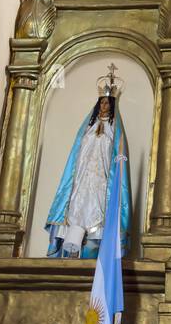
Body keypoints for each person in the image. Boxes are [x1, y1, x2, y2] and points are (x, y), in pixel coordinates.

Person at [45, 72, 131, 259]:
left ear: (113, 105)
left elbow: (118, 155)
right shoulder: (88, 127)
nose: (104, 105)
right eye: (101, 102)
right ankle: (70, 250)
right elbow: (77, 153)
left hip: (102, 181)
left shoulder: (115, 129)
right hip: (82, 178)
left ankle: (93, 252)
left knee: (98, 210)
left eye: (107, 102)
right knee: (77, 206)